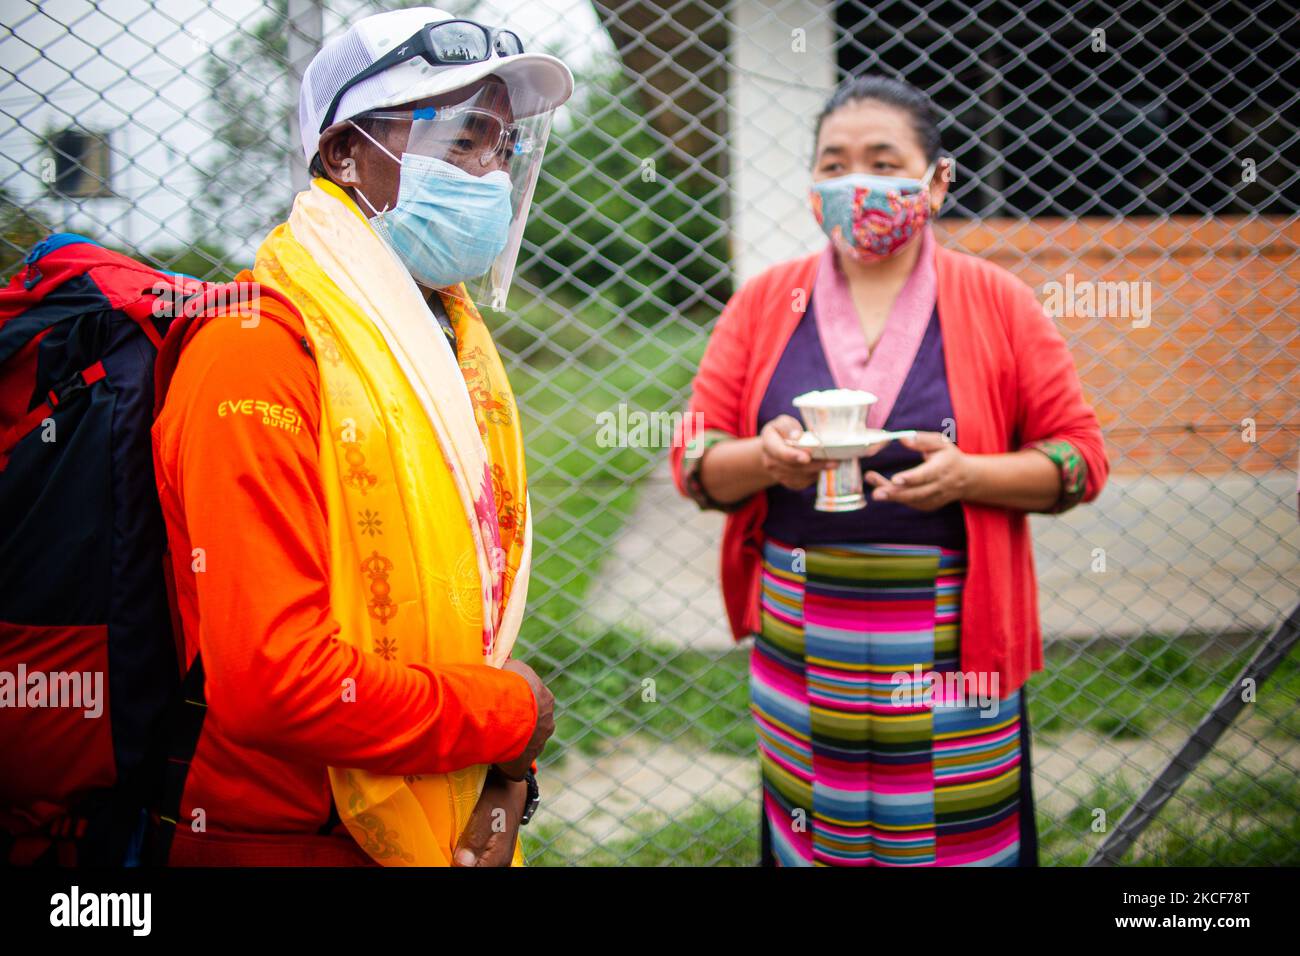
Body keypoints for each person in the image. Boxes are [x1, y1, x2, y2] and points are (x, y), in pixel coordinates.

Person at [151, 7, 573, 866]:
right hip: (273, 837)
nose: (490, 173)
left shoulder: (445, 342)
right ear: (344, 153)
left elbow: (455, 612)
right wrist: (512, 715)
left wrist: (505, 783)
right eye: (460, 138)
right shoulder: (255, 353)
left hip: (443, 796)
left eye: (502, 146)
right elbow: (277, 689)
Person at [670, 75, 1108, 866]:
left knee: (956, 837)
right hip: (801, 624)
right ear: (811, 188)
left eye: (882, 160)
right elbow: (696, 463)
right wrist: (766, 460)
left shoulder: (998, 301)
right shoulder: (765, 301)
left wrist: (969, 476)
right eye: (833, 165)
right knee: (818, 827)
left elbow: (1079, 459)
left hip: (952, 631)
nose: (855, 184)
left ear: (937, 180)